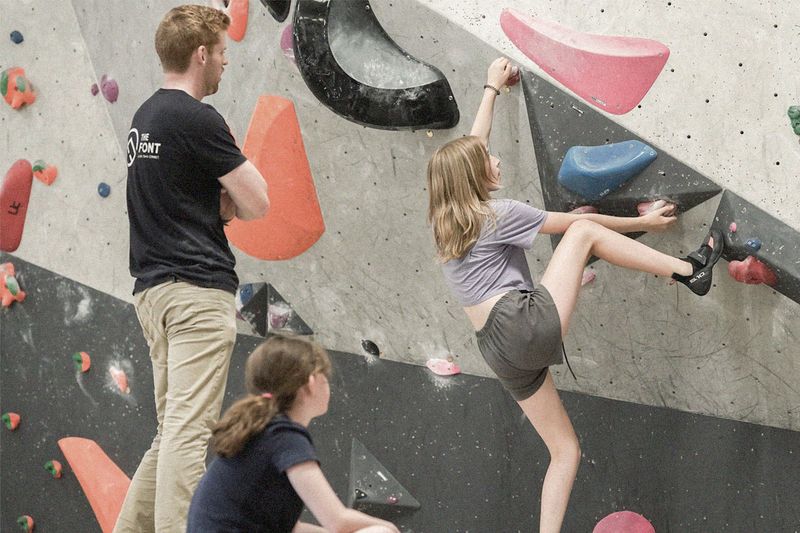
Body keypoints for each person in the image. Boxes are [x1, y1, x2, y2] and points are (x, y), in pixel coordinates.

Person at [426, 58, 723, 533]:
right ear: (476, 178)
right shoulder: (498, 213)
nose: (496, 160)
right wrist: (643, 223)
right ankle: (690, 270)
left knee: (565, 451)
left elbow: (469, 152)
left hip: (497, 353)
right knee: (582, 230)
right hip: (519, 324)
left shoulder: (447, 224)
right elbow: (579, 228)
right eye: (490, 163)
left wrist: (491, 89)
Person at [117, 5, 269, 532]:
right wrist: (229, 194)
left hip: (153, 295)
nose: (227, 62)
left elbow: (182, 195)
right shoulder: (197, 118)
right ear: (201, 55)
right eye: (223, 53)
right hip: (197, 296)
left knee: (169, 433)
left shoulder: (145, 118)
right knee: (187, 432)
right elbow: (259, 202)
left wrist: (217, 199)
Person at [187, 335, 400, 533]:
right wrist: (390, 527)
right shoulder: (285, 437)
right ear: (311, 382)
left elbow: (292, 529)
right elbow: (337, 520)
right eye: (325, 378)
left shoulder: (267, 431)